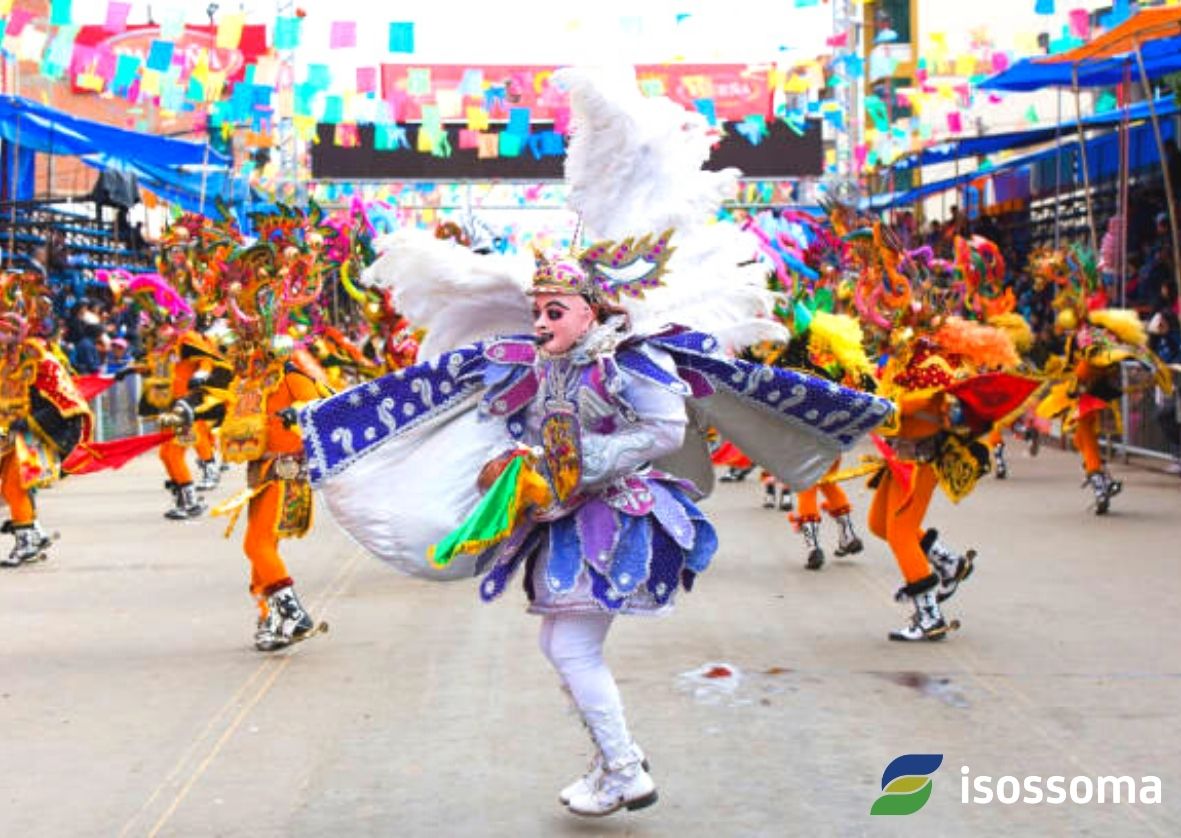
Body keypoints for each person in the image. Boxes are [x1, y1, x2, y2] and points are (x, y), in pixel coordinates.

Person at [301, 66, 892, 819]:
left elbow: (664, 429)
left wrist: (571, 467)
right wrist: (508, 462)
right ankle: (614, 765)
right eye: (537, 308)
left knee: (568, 649)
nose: (539, 320)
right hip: (570, 513)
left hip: (612, 516)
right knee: (564, 648)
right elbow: (477, 401)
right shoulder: (545, 362)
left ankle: (622, 767)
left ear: (590, 311)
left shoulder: (634, 360)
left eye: (553, 309)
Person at [0, 273, 92, 566]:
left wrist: (29, 422)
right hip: (6, 433)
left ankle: (26, 541)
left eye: (7, 331)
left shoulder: (39, 358)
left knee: (15, 485)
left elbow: (65, 398)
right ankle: (34, 532)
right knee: (8, 487)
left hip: (29, 433)